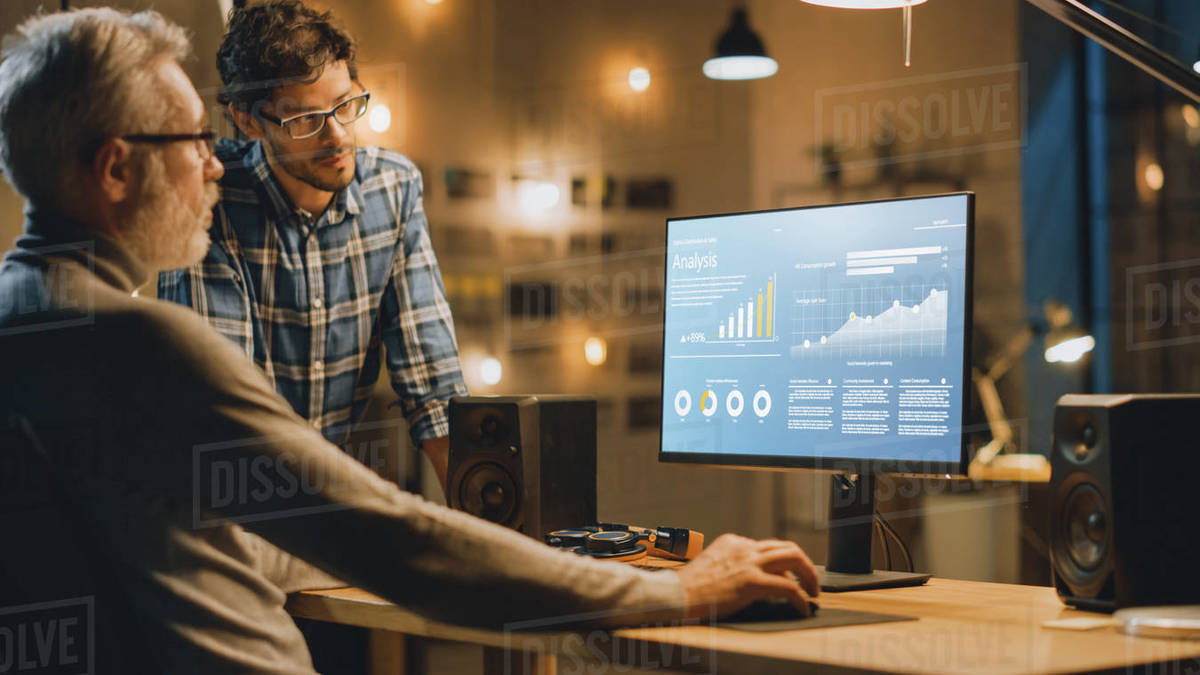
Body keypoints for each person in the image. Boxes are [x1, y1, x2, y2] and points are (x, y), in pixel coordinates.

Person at [0, 8, 817, 673]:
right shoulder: (152, 347)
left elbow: (420, 414)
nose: (214, 167)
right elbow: (390, 539)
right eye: (192, 143)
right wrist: (678, 593)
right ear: (115, 170)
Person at [158, 0, 464, 488]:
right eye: (304, 119)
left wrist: (478, 528)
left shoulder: (393, 187)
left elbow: (433, 388)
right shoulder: (209, 198)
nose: (338, 136)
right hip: (224, 496)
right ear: (248, 121)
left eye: (346, 104)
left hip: (328, 495)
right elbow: (225, 410)